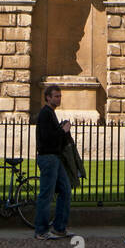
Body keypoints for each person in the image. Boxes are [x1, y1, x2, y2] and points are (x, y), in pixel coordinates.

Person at [33, 84, 73, 239]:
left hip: (54, 158)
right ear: (48, 97)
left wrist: (62, 129)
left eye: (60, 96)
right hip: (48, 158)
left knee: (65, 190)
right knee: (46, 194)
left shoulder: (50, 113)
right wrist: (63, 130)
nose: (59, 98)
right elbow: (48, 138)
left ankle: (59, 227)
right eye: (56, 96)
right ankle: (41, 230)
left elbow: (54, 136)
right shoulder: (45, 114)